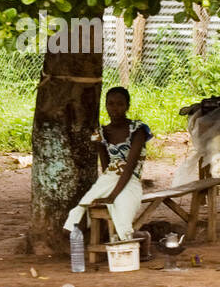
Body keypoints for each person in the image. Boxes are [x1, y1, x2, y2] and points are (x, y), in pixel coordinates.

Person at [63, 86, 153, 260]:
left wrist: (112, 196)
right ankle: (84, 255)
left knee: (124, 225)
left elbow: (129, 167)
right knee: (75, 217)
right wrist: (105, 192)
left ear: (127, 106)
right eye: (110, 104)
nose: (115, 108)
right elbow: (105, 166)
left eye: (120, 104)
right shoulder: (100, 133)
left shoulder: (138, 129)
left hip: (130, 181)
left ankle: (144, 238)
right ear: (105, 106)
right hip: (108, 180)